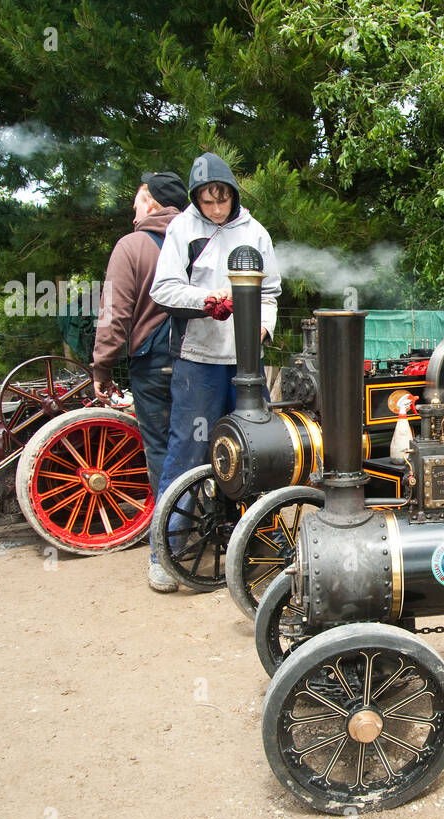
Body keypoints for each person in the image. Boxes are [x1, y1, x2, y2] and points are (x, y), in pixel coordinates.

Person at [147, 152, 282, 592]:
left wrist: (261, 328)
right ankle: (164, 553)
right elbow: (163, 288)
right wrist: (207, 300)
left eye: (223, 199)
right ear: (197, 198)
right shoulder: (181, 229)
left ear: (233, 195)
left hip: (246, 362)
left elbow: (271, 291)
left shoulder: (256, 231)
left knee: (256, 450)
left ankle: (262, 542)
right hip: (198, 360)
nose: (217, 208)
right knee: (188, 452)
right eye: (208, 200)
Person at [92, 171, 190, 498]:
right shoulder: (203, 244)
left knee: (162, 448)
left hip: (155, 367)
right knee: (202, 443)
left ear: (151, 203)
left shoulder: (131, 246)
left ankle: (175, 536)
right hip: (203, 364)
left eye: (137, 204)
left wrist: (102, 369)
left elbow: (114, 314)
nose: (133, 214)